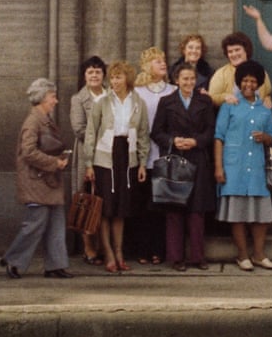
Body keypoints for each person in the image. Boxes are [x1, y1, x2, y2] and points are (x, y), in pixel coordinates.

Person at [82, 59, 149, 273]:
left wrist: (142, 163)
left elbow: (143, 134)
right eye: (112, 77)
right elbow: (91, 132)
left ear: (127, 79)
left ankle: (119, 252)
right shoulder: (102, 102)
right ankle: (108, 253)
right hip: (104, 159)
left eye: (118, 77)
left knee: (120, 209)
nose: (114, 81)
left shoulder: (138, 102)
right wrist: (89, 163)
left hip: (127, 157)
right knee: (105, 208)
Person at [149, 59, 217, 269]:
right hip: (175, 160)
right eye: (185, 79)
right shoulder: (166, 102)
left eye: (192, 79)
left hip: (198, 159)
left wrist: (197, 141)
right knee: (175, 210)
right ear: (176, 80)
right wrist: (173, 141)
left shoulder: (204, 101)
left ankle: (198, 257)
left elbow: (211, 130)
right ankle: (176, 258)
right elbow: (156, 132)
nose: (189, 83)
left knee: (197, 211)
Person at [2, 77, 72, 278]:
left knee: (55, 223)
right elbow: (28, 152)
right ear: (42, 98)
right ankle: (14, 261)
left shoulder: (42, 119)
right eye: (52, 96)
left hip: (45, 180)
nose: (55, 101)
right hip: (38, 181)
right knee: (36, 224)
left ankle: (55, 265)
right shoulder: (34, 122)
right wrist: (54, 163)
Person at [213, 59, 272, 270]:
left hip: (257, 167)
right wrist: (218, 167)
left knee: (261, 216)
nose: (248, 85)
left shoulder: (264, 109)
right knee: (237, 215)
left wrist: (266, 137)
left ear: (259, 84)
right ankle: (242, 256)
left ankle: (259, 254)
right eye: (245, 81)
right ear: (239, 82)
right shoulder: (229, 105)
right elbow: (219, 137)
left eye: (253, 81)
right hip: (234, 167)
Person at [130, 47, 176, 264]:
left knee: (162, 205)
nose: (163, 64)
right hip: (145, 155)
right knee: (143, 205)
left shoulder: (173, 90)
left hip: (166, 155)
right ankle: (142, 249)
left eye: (163, 60)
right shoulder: (138, 92)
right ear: (147, 66)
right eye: (157, 61)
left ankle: (159, 249)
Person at [66, 55, 108, 265]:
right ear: (84, 76)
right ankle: (89, 248)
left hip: (111, 157)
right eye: (90, 72)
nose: (94, 76)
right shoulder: (78, 99)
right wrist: (105, 137)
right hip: (88, 154)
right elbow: (79, 129)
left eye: (98, 72)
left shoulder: (111, 95)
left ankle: (104, 246)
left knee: (106, 201)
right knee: (87, 200)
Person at [209, 32, 272, 106]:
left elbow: (268, 91)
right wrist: (225, 97)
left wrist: (267, 98)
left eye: (237, 50)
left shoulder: (260, 70)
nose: (234, 54)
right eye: (230, 52)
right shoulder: (221, 74)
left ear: (246, 50)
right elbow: (211, 97)